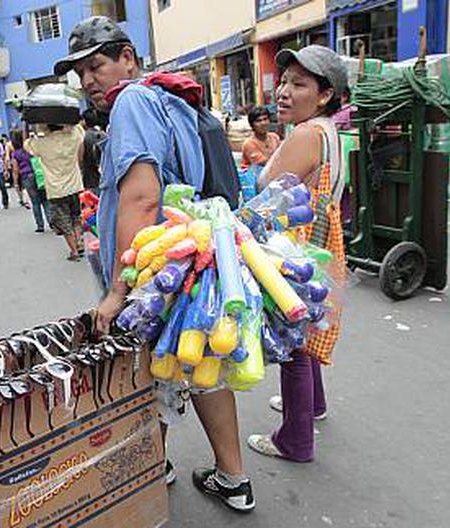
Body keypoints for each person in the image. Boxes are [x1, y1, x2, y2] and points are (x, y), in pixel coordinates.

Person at [56, 15, 255, 512]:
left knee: (151, 372)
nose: (88, 81)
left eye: (96, 65)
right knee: (202, 366)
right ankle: (233, 478)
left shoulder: (133, 103)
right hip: (188, 265)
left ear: (129, 58)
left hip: (155, 276)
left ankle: (148, 471)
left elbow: (142, 198)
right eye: (79, 73)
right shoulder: (170, 100)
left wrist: (119, 292)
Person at [247, 45, 347, 464]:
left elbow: (265, 186)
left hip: (301, 247)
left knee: (292, 344)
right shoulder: (328, 130)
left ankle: (295, 440)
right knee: (308, 333)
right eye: (284, 82)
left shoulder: (306, 134)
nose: (283, 92)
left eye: (299, 84)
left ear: (324, 94)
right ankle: (313, 406)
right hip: (324, 244)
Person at [27, 122, 85, 260]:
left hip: (56, 190)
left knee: (64, 221)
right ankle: (80, 243)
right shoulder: (72, 137)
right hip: (75, 186)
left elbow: (28, 145)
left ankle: (74, 251)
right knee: (76, 217)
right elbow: (79, 129)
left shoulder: (42, 143)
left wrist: (31, 126)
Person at [10, 128, 49, 232]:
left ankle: (40, 225)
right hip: (38, 175)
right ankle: (52, 222)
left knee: (35, 202)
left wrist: (16, 183)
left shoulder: (15, 154)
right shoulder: (31, 148)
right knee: (45, 200)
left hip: (27, 177)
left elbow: (15, 169)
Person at [240, 106, 281, 171]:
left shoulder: (275, 137)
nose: (263, 123)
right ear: (252, 125)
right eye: (258, 121)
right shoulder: (249, 144)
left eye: (265, 119)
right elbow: (262, 163)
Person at [80, 108, 106, 193]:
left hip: (90, 180)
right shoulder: (104, 135)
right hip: (104, 177)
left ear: (84, 121)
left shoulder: (83, 138)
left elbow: (81, 159)